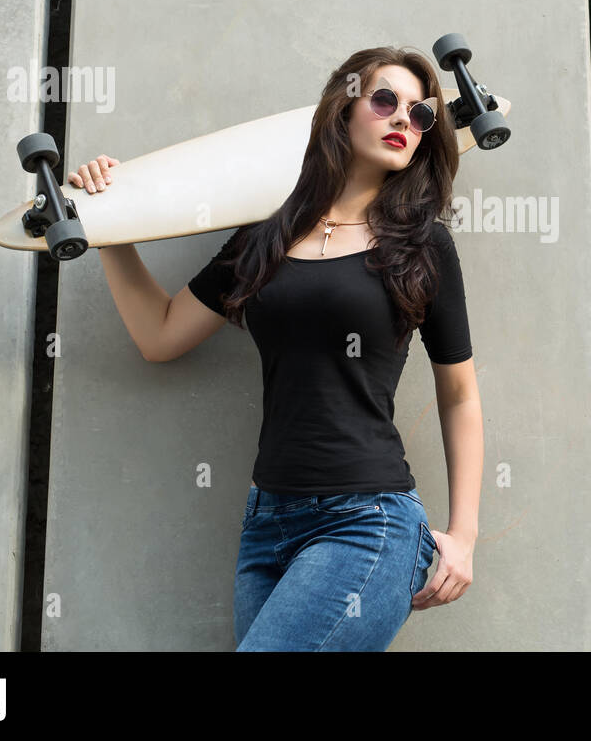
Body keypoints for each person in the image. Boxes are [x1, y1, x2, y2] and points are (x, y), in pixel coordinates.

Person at [71, 46, 482, 650]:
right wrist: (110, 228)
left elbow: (461, 392)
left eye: (421, 115)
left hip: (368, 522)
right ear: (343, 110)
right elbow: (159, 335)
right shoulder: (265, 235)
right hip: (266, 525)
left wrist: (464, 535)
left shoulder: (422, 245)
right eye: (386, 100)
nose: (403, 120)